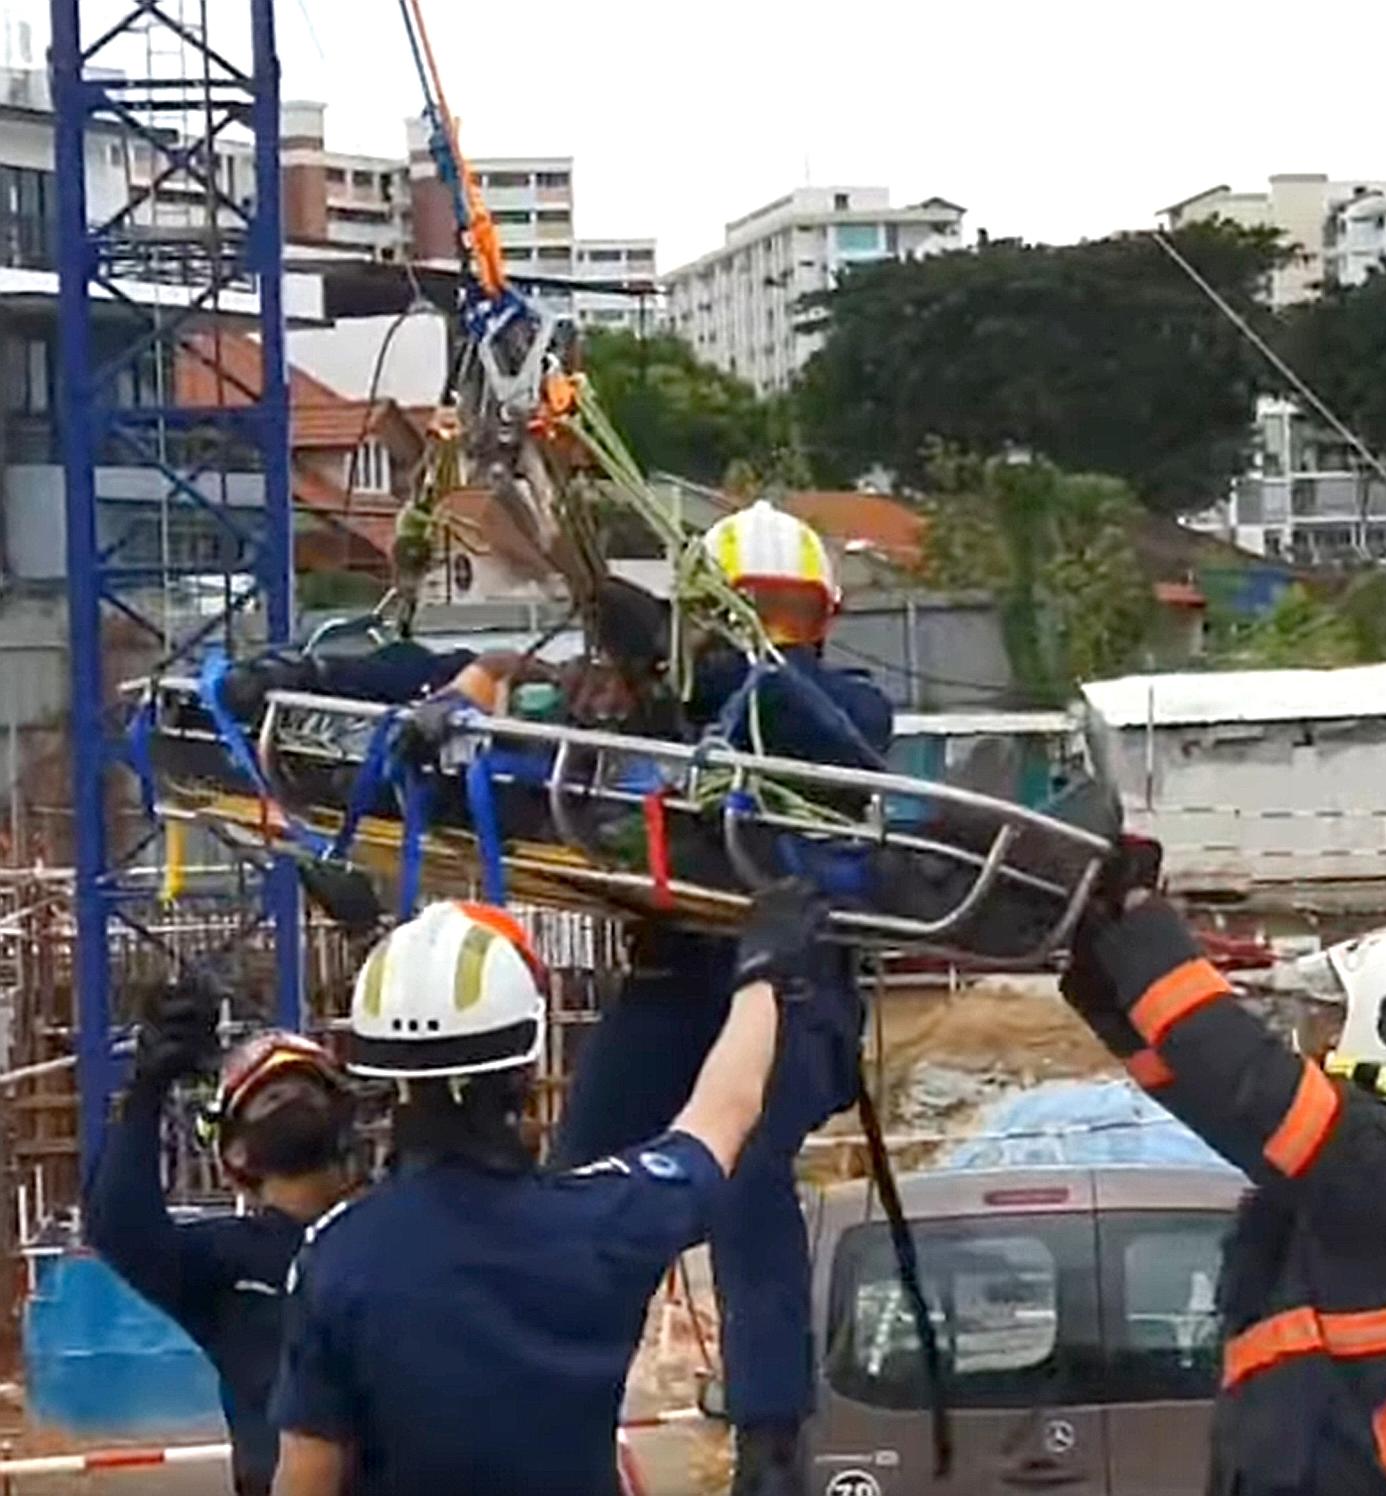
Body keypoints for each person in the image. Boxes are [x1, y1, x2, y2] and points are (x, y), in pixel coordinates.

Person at [271, 883, 837, 1496]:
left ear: (383, 1075)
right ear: (526, 1064)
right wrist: (762, 973)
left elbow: (307, 1477)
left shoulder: (336, 1256)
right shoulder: (606, 1220)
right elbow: (723, 1116)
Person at [551, 501, 889, 1496]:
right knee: (575, 1185)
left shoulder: (844, 708)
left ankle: (771, 1443)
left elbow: (817, 725)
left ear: (819, 622)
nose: (766, 631)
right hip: (675, 983)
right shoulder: (658, 713)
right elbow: (565, 765)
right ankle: (556, 1407)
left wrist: (708, 666)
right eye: (745, 612)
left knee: (747, 1178)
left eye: (781, 614)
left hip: (793, 989)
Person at [1061, 875, 1386, 1496]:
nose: (1326, 1041)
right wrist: (1109, 984)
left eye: (1344, 1020)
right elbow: (1214, 1099)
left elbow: (1244, 1079)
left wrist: (1143, 930)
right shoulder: (1375, 1173)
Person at [85, 987, 354, 1496]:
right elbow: (118, 1226)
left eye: (307, 1091)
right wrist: (148, 1088)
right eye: (268, 1098)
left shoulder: (394, 1234)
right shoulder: (224, 1266)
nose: (291, 1099)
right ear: (236, 1156)